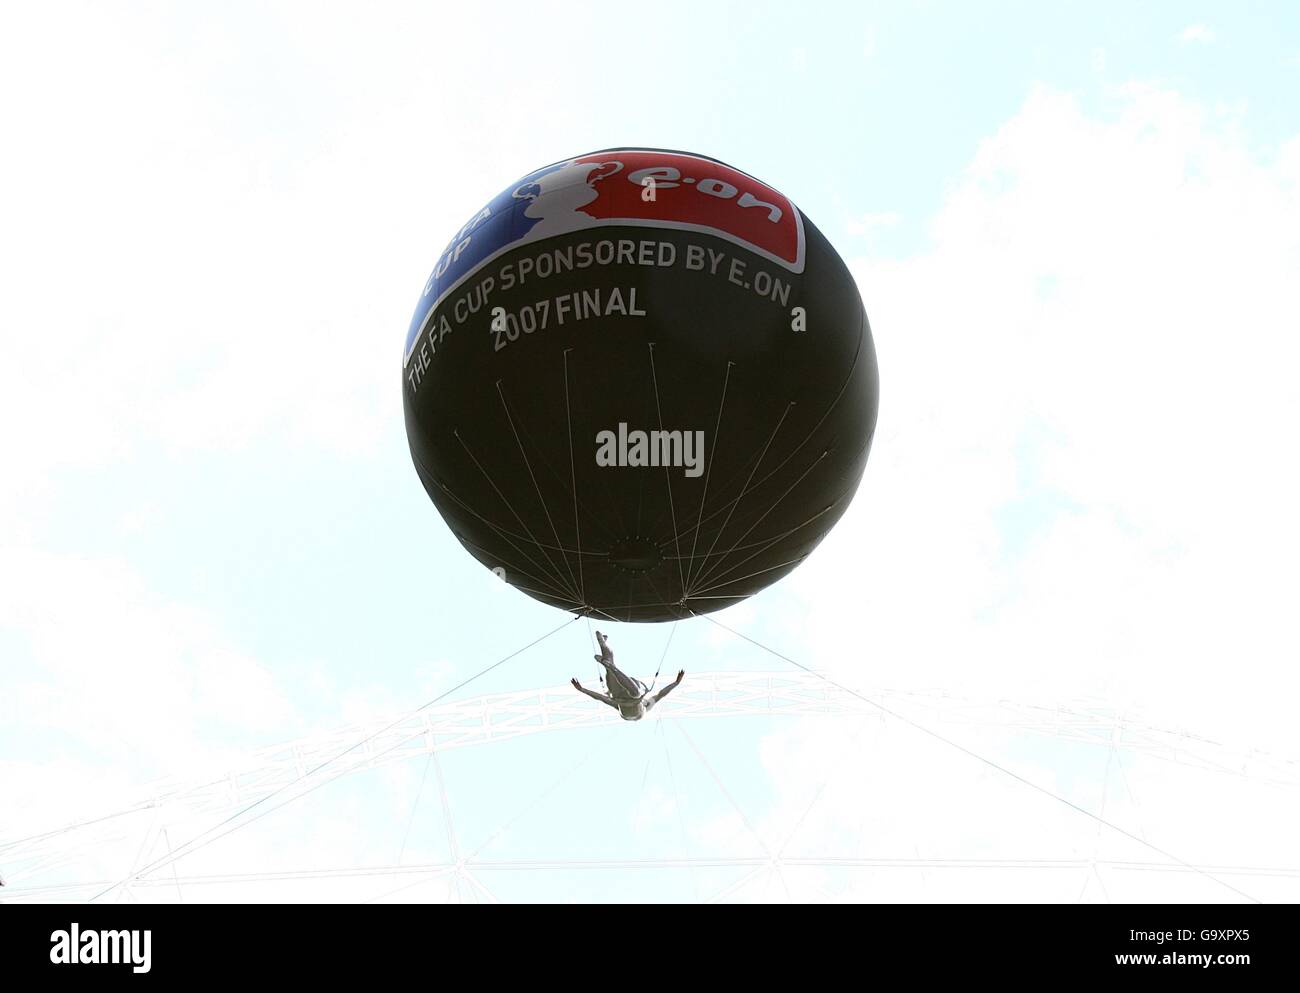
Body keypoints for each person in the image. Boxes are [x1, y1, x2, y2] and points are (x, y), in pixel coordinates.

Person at [571, 630, 684, 721]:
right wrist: (676, 683)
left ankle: (606, 651)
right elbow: (661, 694)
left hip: (618, 695)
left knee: (609, 663)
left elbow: (601, 698)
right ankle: (609, 660)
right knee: (634, 692)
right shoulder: (647, 704)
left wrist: (582, 689)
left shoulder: (620, 704)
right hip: (629, 691)